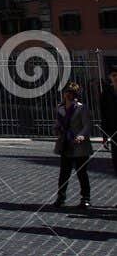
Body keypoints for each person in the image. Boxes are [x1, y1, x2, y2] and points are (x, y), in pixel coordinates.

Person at [54, 82, 92, 210]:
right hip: (65, 143)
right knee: (64, 173)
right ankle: (61, 197)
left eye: (72, 93)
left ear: (76, 95)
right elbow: (57, 123)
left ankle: (85, 198)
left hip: (79, 145)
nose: (69, 95)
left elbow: (87, 125)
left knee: (82, 173)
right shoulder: (60, 108)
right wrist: (57, 130)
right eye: (67, 92)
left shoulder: (82, 108)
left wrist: (81, 136)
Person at [98, 66, 117, 178]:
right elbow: (103, 114)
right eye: (114, 75)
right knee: (115, 157)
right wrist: (104, 135)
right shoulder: (106, 93)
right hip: (113, 130)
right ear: (110, 77)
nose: (116, 78)